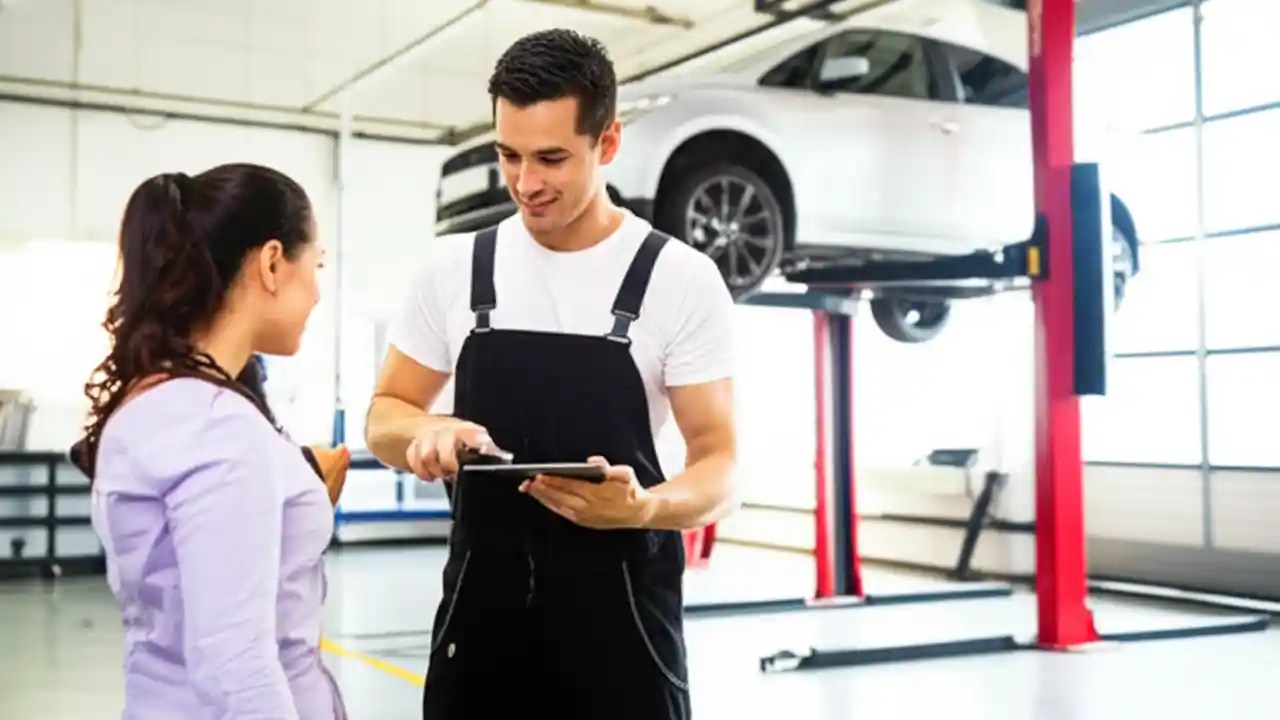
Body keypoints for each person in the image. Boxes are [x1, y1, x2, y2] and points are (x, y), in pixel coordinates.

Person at [365, 29, 738, 720]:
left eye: (551, 158)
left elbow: (720, 466)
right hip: (479, 634)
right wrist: (427, 431)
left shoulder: (680, 280)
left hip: (623, 636)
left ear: (609, 143)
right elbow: (386, 413)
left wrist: (647, 508)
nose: (525, 183)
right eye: (508, 155)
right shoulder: (453, 271)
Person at [76, 163, 348, 719]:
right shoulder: (215, 426)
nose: (318, 292)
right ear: (273, 263)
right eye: (316, 265)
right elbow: (234, 663)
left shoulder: (161, 399)